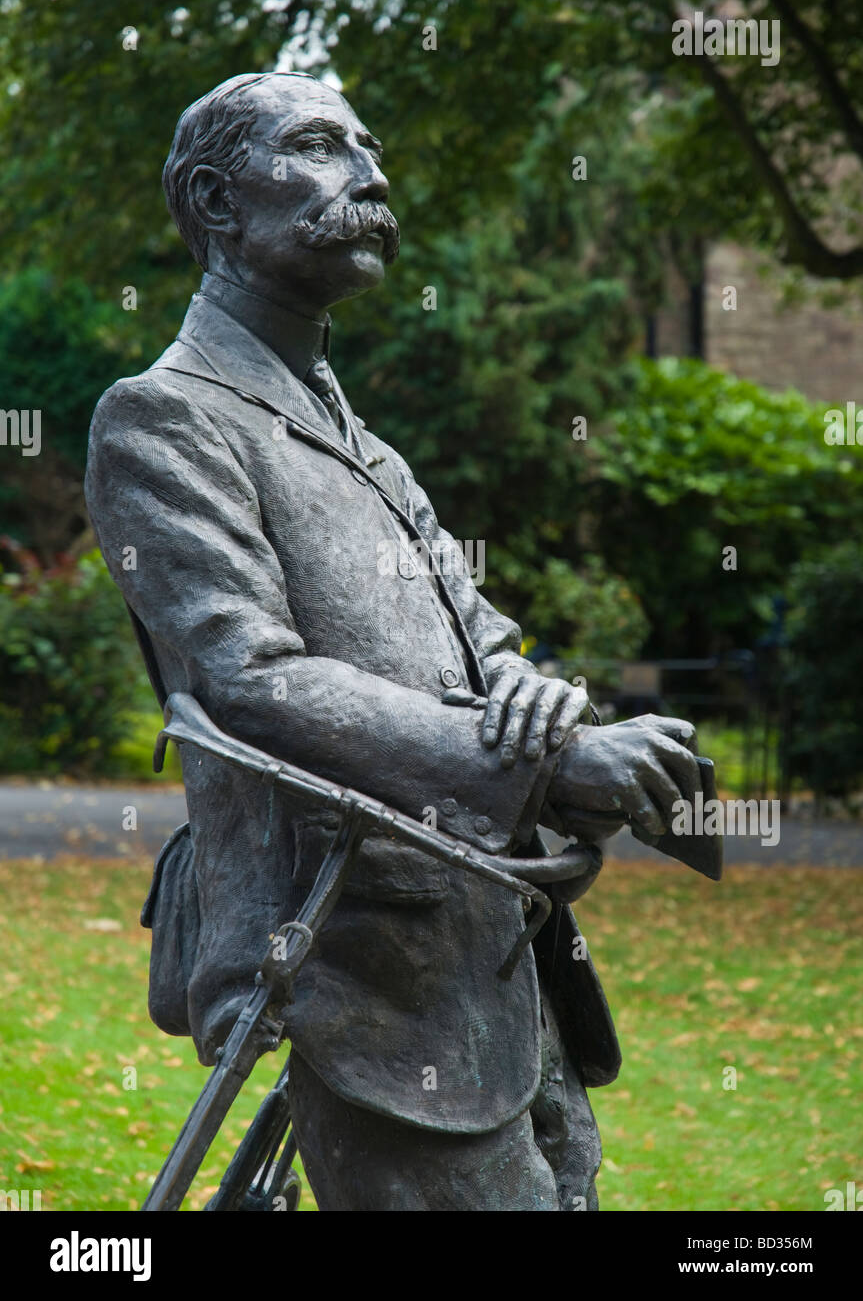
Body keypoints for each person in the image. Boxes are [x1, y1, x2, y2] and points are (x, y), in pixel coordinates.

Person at [85, 72, 709, 1211]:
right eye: (321, 148)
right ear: (218, 202)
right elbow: (248, 678)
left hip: (498, 955)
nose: (371, 176)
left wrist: (542, 707)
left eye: (369, 147)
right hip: (346, 951)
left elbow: (486, 645)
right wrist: (548, 763)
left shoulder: (368, 447)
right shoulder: (162, 416)